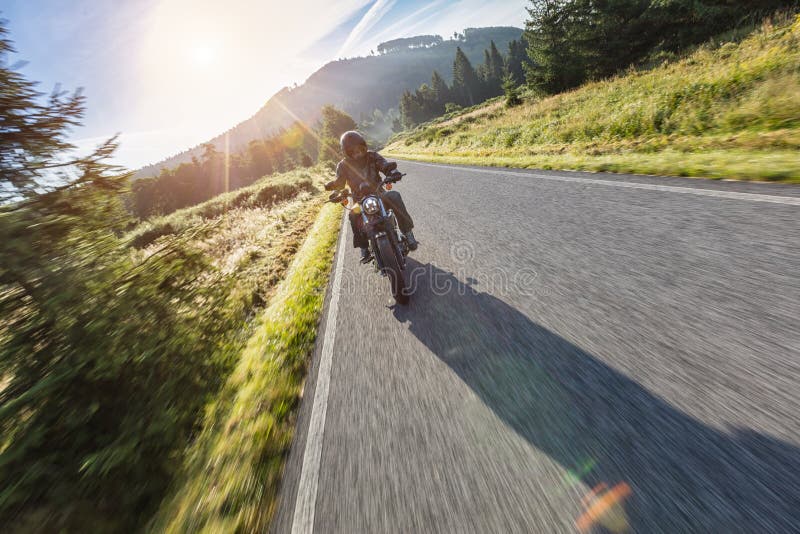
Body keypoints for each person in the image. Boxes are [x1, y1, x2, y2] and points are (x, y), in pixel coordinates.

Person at [325, 131, 418, 263]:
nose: (357, 153)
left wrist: (393, 172)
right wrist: (335, 192)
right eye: (353, 152)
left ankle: (408, 233)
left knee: (394, 196)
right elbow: (339, 183)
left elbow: (384, 165)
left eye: (359, 149)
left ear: (364, 146)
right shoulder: (343, 165)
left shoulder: (372, 156)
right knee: (353, 214)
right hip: (359, 201)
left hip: (379, 194)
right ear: (346, 153)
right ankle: (364, 247)